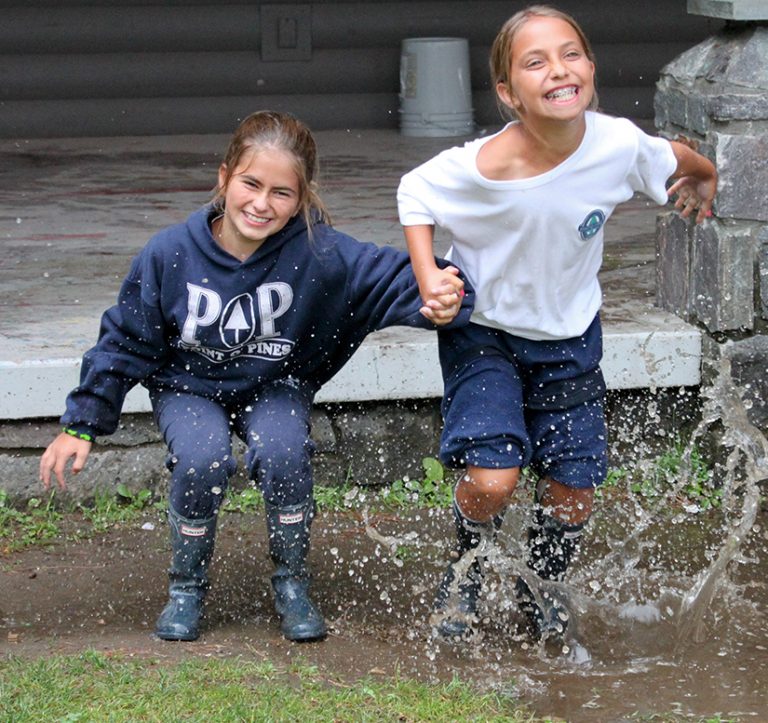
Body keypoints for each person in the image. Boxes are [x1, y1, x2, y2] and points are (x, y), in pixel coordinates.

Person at [40, 110, 473, 644]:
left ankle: (291, 581)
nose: (261, 203)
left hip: (275, 384)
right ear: (224, 178)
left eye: (282, 193)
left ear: (304, 197)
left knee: (286, 449)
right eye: (250, 184)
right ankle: (186, 586)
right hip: (188, 385)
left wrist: (445, 292)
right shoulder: (169, 254)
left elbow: (396, 281)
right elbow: (125, 339)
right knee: (202, 458)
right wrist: (82, 421)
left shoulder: (322, 254)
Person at [397, 5, 717, 643]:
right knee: (493, 481)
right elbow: (414, 191)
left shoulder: (617, 144)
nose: (559, 70)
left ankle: (539, 586)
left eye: (571, 54)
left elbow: (675, 156)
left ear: (591, 69)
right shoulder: (483, 166)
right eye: (535, 62)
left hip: (570, 339)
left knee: (573, 491)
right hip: (483, 330)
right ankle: (463, 571)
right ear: (509, 92)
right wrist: (430, 274)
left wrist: (704, 178)